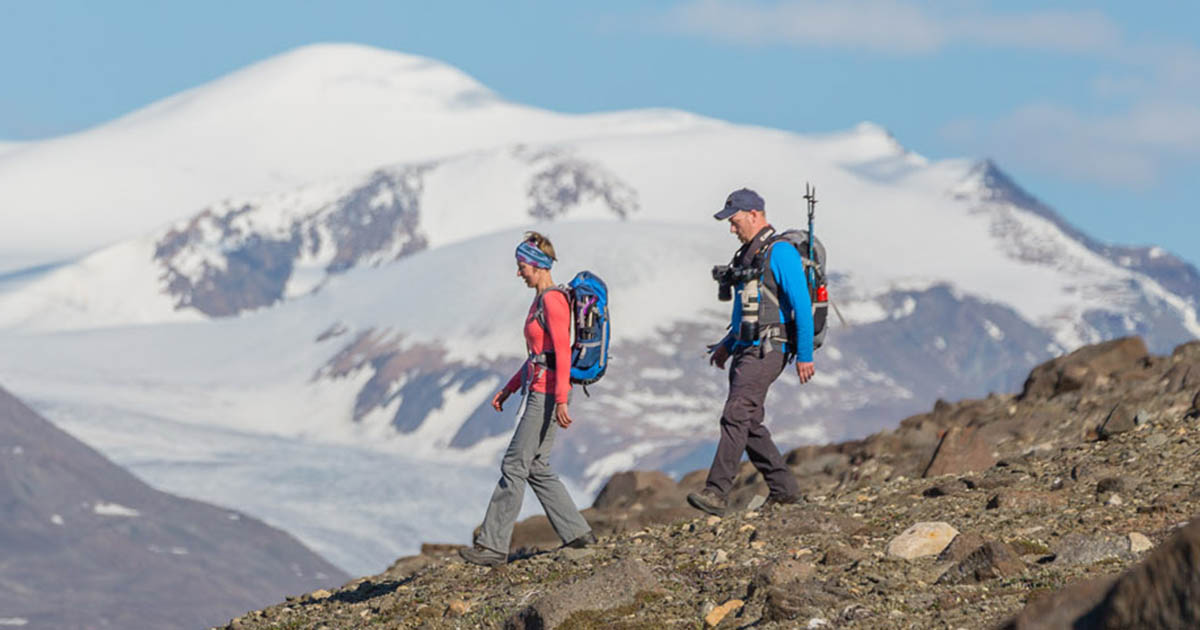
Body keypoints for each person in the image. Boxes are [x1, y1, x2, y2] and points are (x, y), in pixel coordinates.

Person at [458, 231, 596, 566]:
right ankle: (579, 535)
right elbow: (540, 354)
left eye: (522, 266)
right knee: (535, 466)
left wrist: (561, 399)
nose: (519, 273)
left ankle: (491, 547)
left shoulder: (551, 300)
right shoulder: (542, 300)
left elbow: (562, 352)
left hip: (547, 393)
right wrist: (509, 388)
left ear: (537, 265)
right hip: (540, 386)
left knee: (515, 464)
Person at [687, 188, 815, 517]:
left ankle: (716, 492)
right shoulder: (749, 254)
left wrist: (804, 354)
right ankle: (785, 491)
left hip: (770, 348)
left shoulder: (781, 252)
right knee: (750, 422)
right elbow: (746, 310)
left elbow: (801, 305)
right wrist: (727, 346)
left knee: (736, 413)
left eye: (735, 221)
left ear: (754, 215)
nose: (732, 229)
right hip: (746, 348)